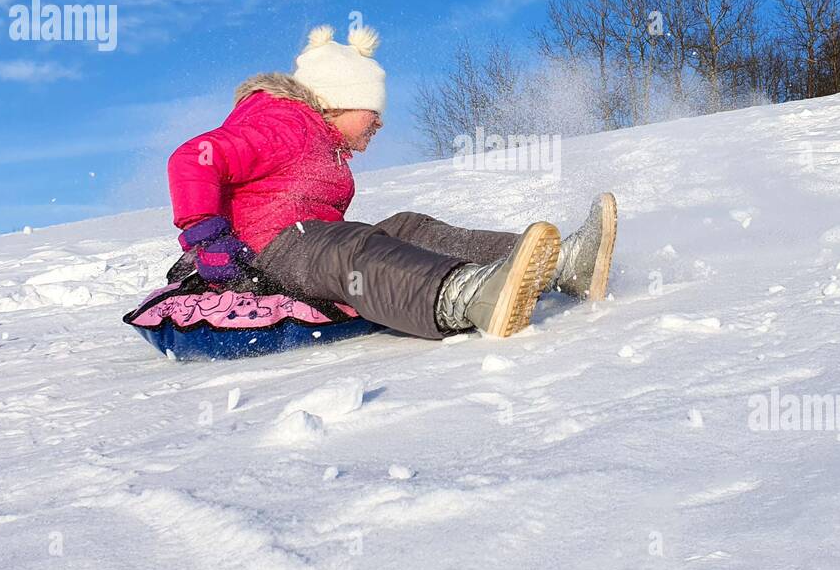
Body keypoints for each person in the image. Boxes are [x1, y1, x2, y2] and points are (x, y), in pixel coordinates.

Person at [166, 25, 617, 339]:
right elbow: (192, 159)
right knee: (347, 248)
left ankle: (557, 265)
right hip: (264, 254)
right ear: (338, 101)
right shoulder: (282, 124)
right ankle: (467, 296)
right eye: (372, 112)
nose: (379, 124)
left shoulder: (320, 142)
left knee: (407, 227)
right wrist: (208, 236)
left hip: (301, 246)